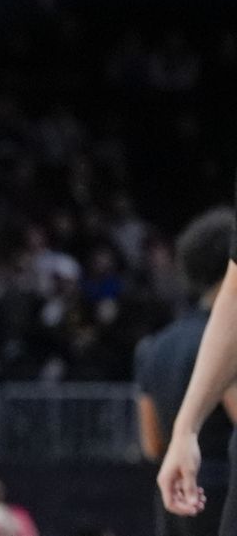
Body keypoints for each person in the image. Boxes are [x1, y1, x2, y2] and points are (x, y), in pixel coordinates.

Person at [137, 206, 237, 536]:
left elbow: (151, 443)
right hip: (222, 490)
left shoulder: (155, 346)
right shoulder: (225, 345)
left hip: (174, 489)